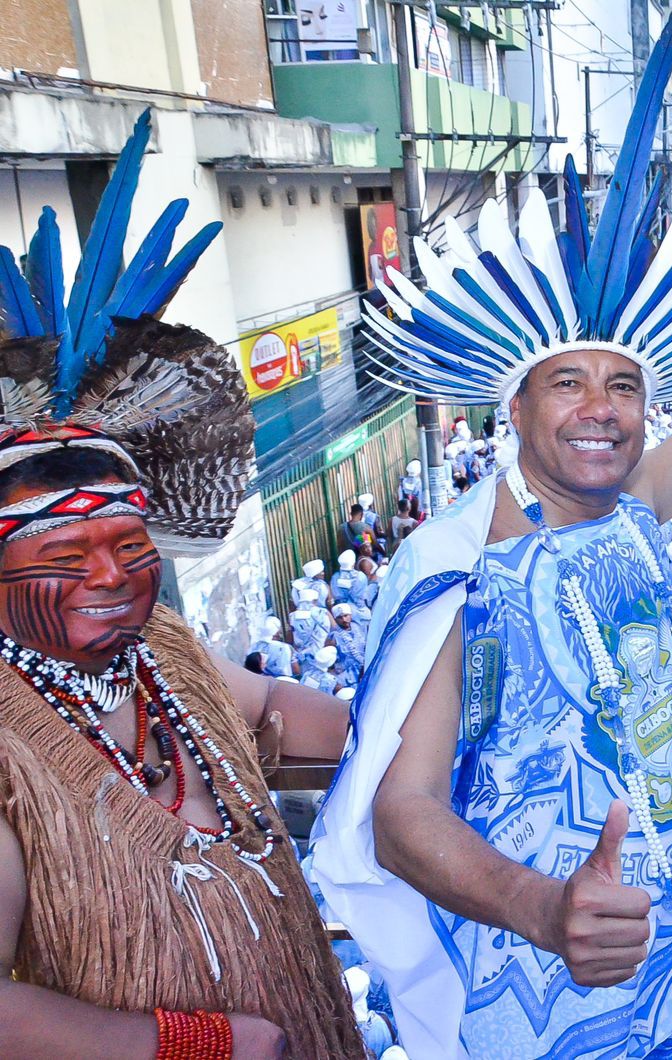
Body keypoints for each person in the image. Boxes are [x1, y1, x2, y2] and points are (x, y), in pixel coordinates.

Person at [311, 14, 672, 1054]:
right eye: (567, 382)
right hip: (537, 989)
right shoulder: (456, 567)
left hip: (669, 972)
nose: (599, 408)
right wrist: (542, 907)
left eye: (622, 385)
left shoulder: (635, 509)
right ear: (512, 408)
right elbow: (405, 811)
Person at [0, 112, 362, 1057]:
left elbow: (278, 704)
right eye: (65, 558)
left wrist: (416, 739)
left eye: (128, 539)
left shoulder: (163, 652)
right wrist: (202, 1044)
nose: (113, 574)